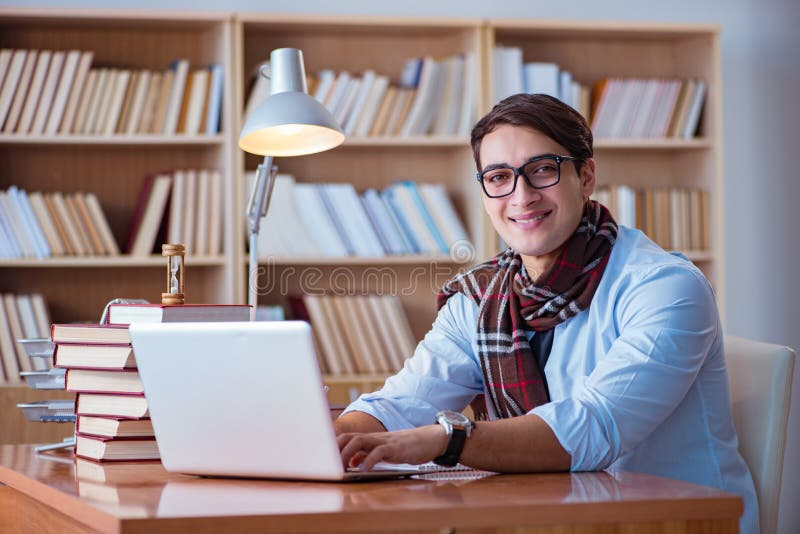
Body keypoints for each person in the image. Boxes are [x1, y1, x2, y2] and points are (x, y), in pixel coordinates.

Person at [334, 94, 758, 533]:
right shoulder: (481, 298)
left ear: (586, 175)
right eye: (499, 177)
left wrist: (448, 439)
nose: (522, 196)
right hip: (548, 519)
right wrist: (340, 440)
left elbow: (593, 428)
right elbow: (405, 402)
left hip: (677, 523)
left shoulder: (666, 287)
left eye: (542, 170)